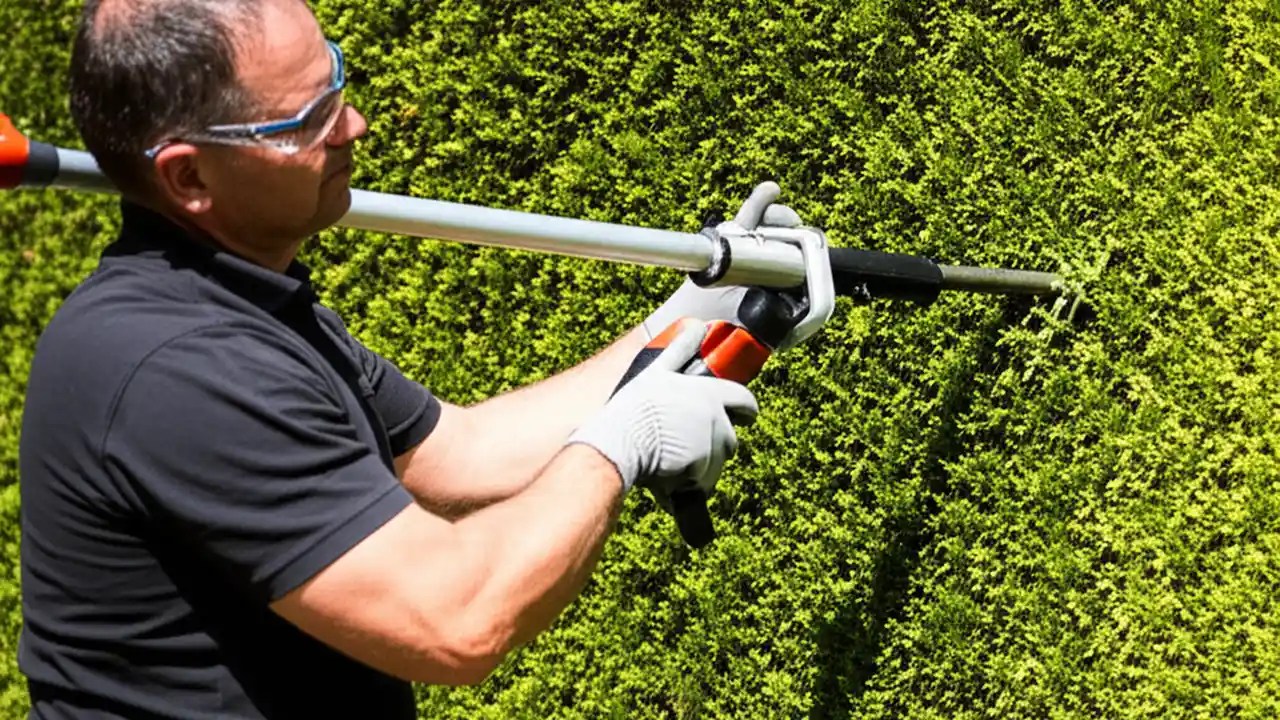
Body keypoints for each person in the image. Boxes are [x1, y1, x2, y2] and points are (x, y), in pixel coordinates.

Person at [17, 0, 801, 717]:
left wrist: (697, 316)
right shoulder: (181, 366)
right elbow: (457, 620)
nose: (353, 125)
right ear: (189, 175)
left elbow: (458, 456)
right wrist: (617, 448)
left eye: (336, 82)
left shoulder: (245, 304)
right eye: (308, 118)